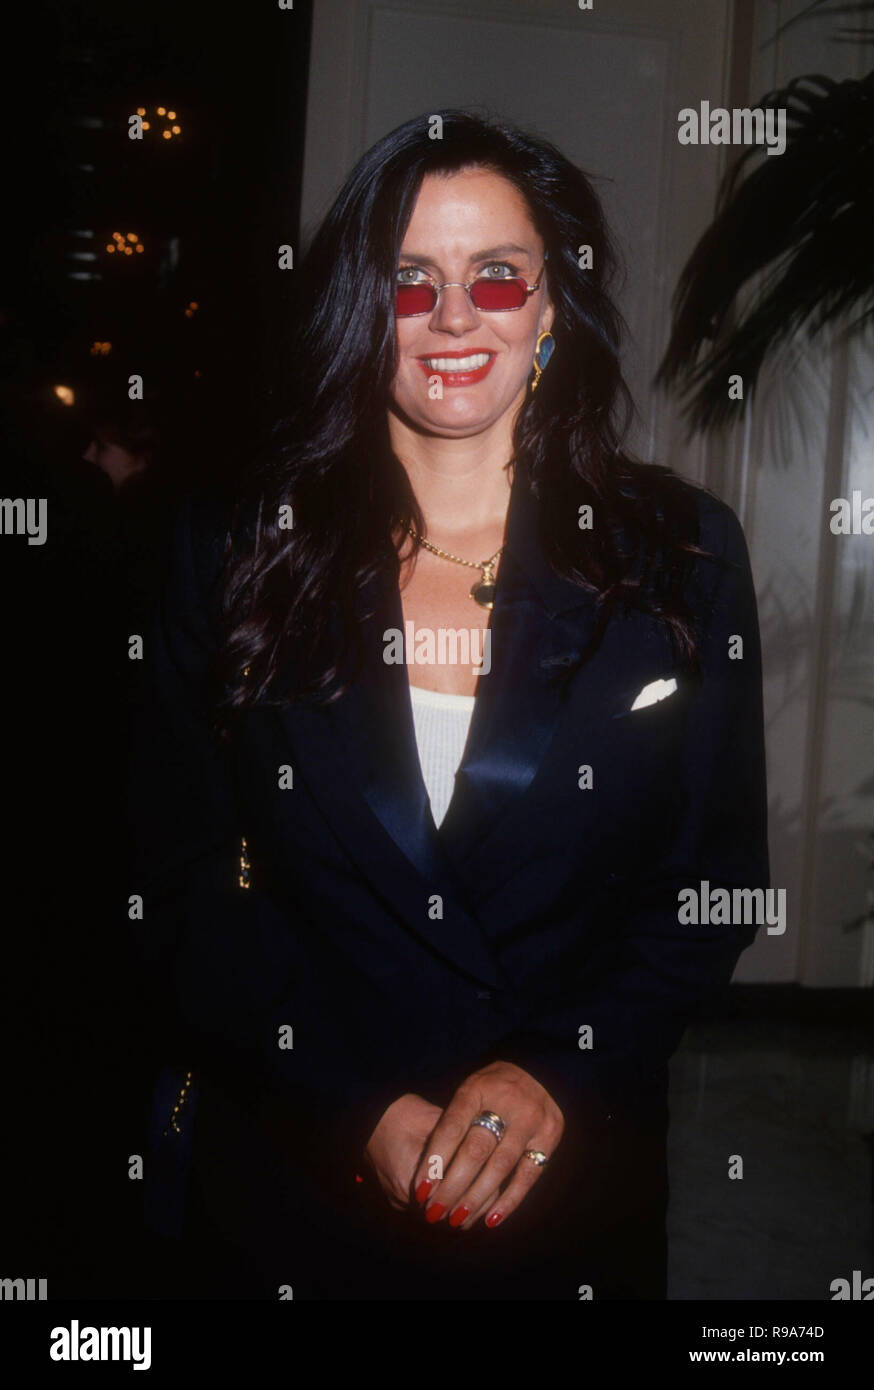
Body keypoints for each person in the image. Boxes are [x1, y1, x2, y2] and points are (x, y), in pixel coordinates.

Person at [126, 109, 769, 1301]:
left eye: (496, 275)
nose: (455, 315)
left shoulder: (682, 552)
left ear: (550, 311)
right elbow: (179, 877)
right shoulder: (233, 548)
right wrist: (342, 1100)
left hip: (565, 1197)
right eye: (409, 281)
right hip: (292, 1197)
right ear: (361, 315)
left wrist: (557, 1073)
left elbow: (709, 883)